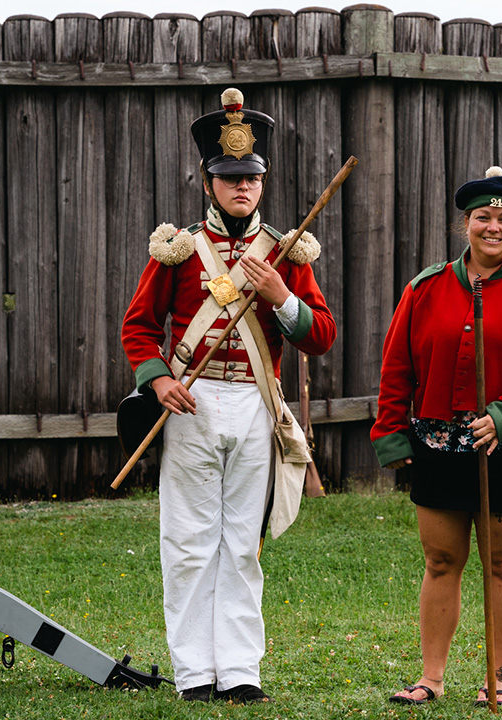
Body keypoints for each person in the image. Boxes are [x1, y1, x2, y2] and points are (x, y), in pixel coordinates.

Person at [121, 88, 336, 704]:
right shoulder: (180, 249)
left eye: (252, 177)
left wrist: (281, 299)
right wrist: (159, 379)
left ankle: (240, 670)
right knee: (188, 542)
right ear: (209, 181)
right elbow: (139, 327)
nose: (243, 188)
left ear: (263, 181)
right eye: (230, 178)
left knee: (243, 542)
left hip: (254, 406)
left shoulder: (286, 252)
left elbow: (320, 335)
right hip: (189, 404)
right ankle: (194, 673)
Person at [372, 167, 502, 707]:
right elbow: (398, 368)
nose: (494, 226)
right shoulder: (424, 287)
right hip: (436, 444)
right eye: (483, 216)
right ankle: (431, 678)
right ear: (466, 223)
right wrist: (391, 433)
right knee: (441, 561)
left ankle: (497, 678)